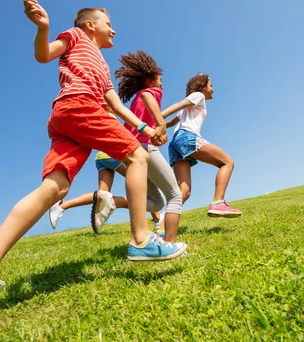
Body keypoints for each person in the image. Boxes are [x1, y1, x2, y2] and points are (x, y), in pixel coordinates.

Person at [0, 0, 187, 330]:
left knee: (55, 187)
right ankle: (142, 241)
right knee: (138, 156)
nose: (113, 27)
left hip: (69, 119)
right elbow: (44, 55)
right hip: (78, 106)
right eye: (108, 21)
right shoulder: (75, 36)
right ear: (90, 25)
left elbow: (115, 104)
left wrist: (145, 128)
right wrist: (43, 28)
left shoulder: (102, 66)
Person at [115, 50, 184, 242]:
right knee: (175, 195)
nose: (162, 84)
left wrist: (165, 125)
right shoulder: (150, 92)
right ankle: (169, 242)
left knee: (156, 203)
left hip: (131, 151)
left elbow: (149, 124)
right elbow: (149, 98)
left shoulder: (136, 101)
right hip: (143, 149)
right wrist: (161, 124)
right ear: (149, 80)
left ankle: (111, 201)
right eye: (160, 79)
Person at [161, 73, 241, 221]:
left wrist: (154, 128)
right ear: (202, 87)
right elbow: (177, 105)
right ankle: (218, 202)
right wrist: (157, 118)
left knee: (183, 191)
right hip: (187, 137)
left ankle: (161, 226)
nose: (213, 90)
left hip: (175, 144)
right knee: (227, 163)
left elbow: (171, 123)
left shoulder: (189, 109)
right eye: (211, 86)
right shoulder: (198, 96)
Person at [48, 149, 165, 233]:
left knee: (102, 196)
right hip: (115, 154)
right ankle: (157, 219)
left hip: (101, 157)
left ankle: (62, 206)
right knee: (141, 183)